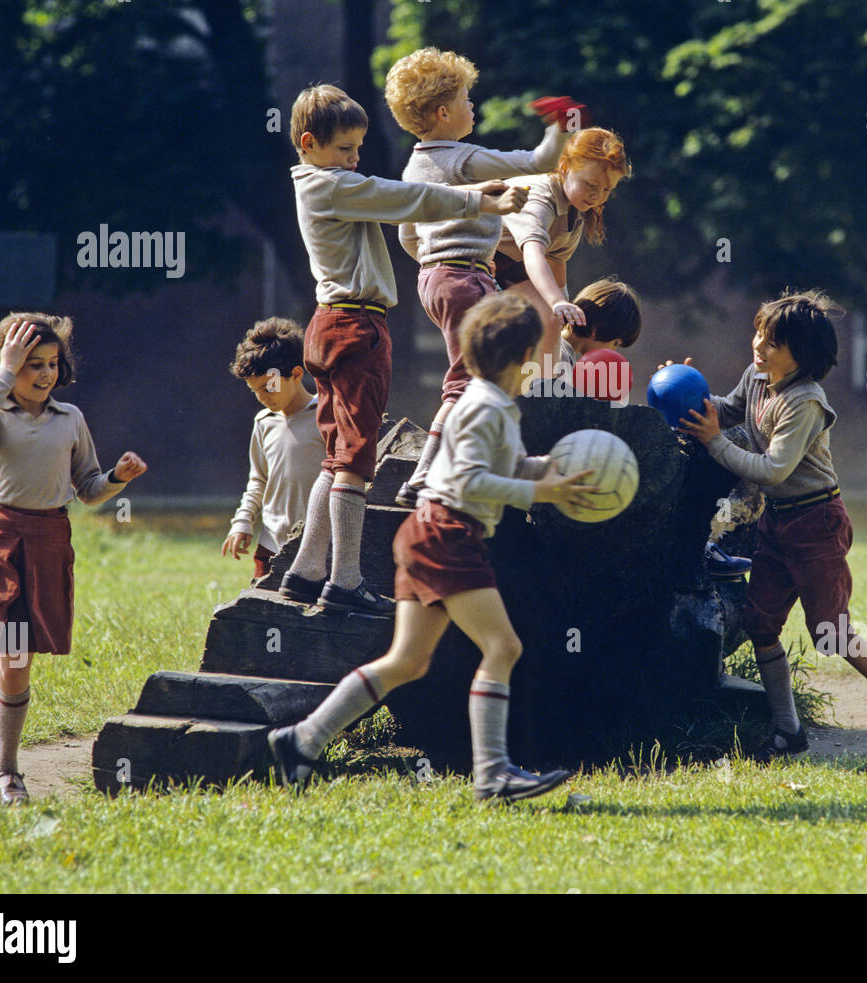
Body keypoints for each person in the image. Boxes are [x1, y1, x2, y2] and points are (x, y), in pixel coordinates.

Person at [268, 293, 594, 801]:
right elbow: (473, 482)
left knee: (407, 661)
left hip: (428, 533)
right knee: (503, 646)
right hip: (447, 535)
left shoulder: (491, 403)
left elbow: (500, 467)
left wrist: (546, 467)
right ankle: (493, 775)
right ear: (522, 356)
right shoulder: (486, 406)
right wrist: (540, 491)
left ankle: (301, 739)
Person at [277, 84, 525, 617]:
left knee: (337, 457)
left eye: (359, 148)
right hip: (354, 326)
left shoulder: (324, 182)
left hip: (332, 324)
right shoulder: (330, 185)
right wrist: (477, 199)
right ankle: (344, 581)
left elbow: (394, 199)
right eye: (345, 148)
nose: (355, 159)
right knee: (355, 461)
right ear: (308, 143)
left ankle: (305, 572)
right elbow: (403, 197)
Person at [677, 290, 867, 756]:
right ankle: (787, 731)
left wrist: (714, 443)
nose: (758, 346)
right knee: (758, 621)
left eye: (772, 342)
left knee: (828, 629)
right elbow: (728, 411)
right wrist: (687, 391)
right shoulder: (757, 377)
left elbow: (772, 469)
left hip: (817, 523)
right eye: (758, 334)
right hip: (778, 523)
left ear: (801, 355)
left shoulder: (805, 401)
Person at [0, 314, 147, 806]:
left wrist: (118, 477)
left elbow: (87, 488)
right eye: (30, 364)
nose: (43, 374)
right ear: (5, 365)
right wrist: (3, 369)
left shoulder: (70, 419)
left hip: (46, 540)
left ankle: (7, 772)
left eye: (50, 364)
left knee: (18, 659)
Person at [383, 46, 584, 505]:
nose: (473, 106)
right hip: (466, 279)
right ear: (443, 111)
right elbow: (537, 163)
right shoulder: (463, 160)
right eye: (466, 98)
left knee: (472, 374)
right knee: (470, 379)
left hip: (433, 281)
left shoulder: (415, 165)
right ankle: (425, 474)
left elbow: (407, 238)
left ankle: (493, 458)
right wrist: (560, 125)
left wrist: (437, 262)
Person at [492, 128, 631, 381]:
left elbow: (556, 260)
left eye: (606, 190)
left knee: (550, 319)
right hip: (472, 261)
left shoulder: (575, 211)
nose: (596, 196)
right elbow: (534, 254)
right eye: (590, 185)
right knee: (546, 313)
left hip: (507, 268)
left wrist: (563, 302)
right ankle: (543, 395)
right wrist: (556, 303)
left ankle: (544, 389)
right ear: (564, 167)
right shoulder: (538, 196)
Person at [223, 317, 325, 580]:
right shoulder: (263, 423)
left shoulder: (327, 417)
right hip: (270, 546)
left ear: (296, 375)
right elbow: (258, 479)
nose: (262, 397)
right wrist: (243, 521)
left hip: (319, 546)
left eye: (269, 387)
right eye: (254, 390)